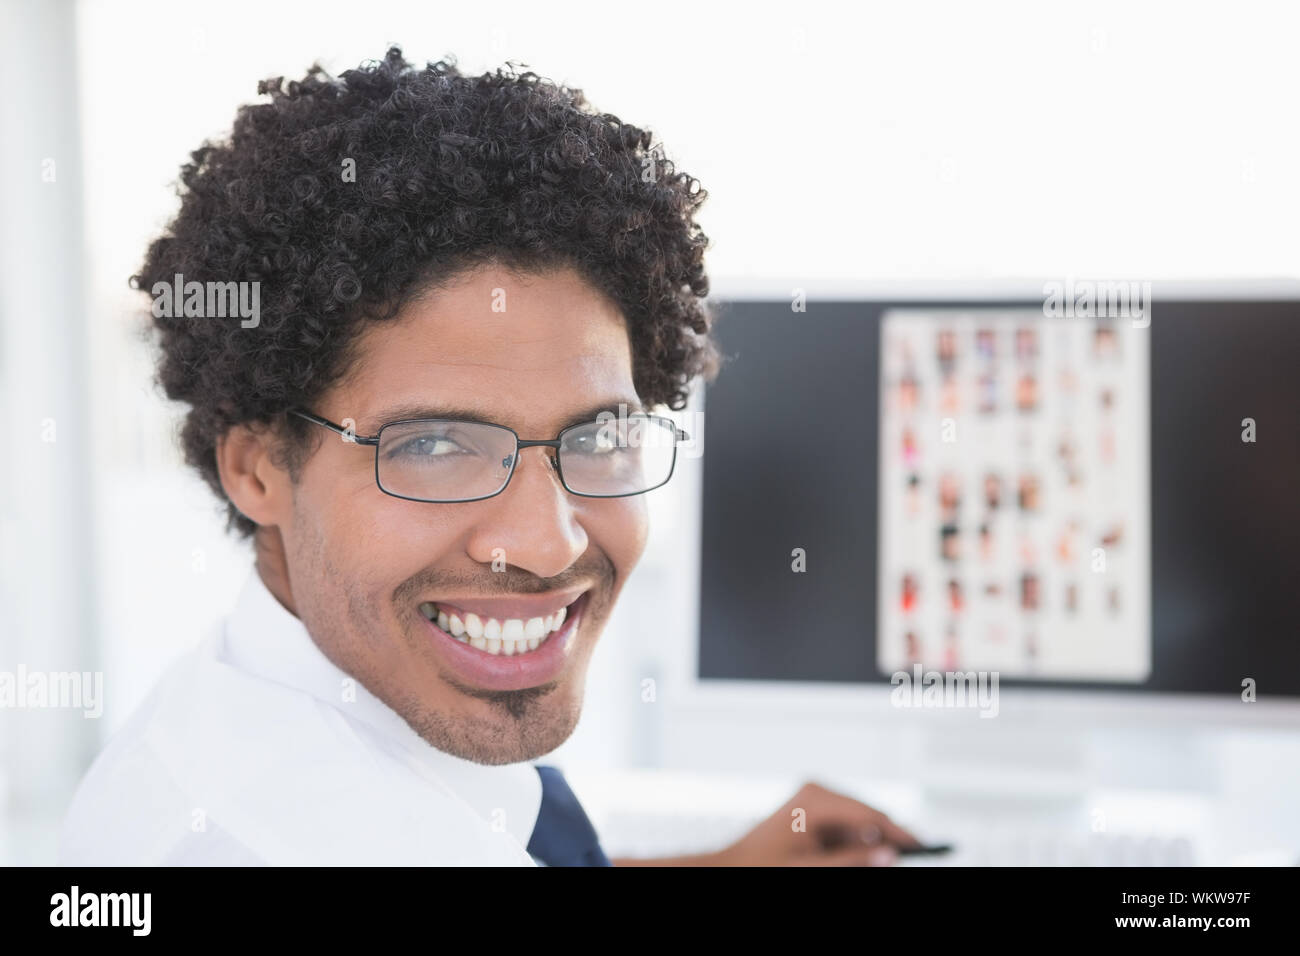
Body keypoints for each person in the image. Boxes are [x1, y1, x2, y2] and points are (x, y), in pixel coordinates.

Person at [59, 48, 917, 866]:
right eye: (434, 445)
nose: (546, 544)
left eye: (598, 437)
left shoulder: (266, 713)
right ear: (258, 469)